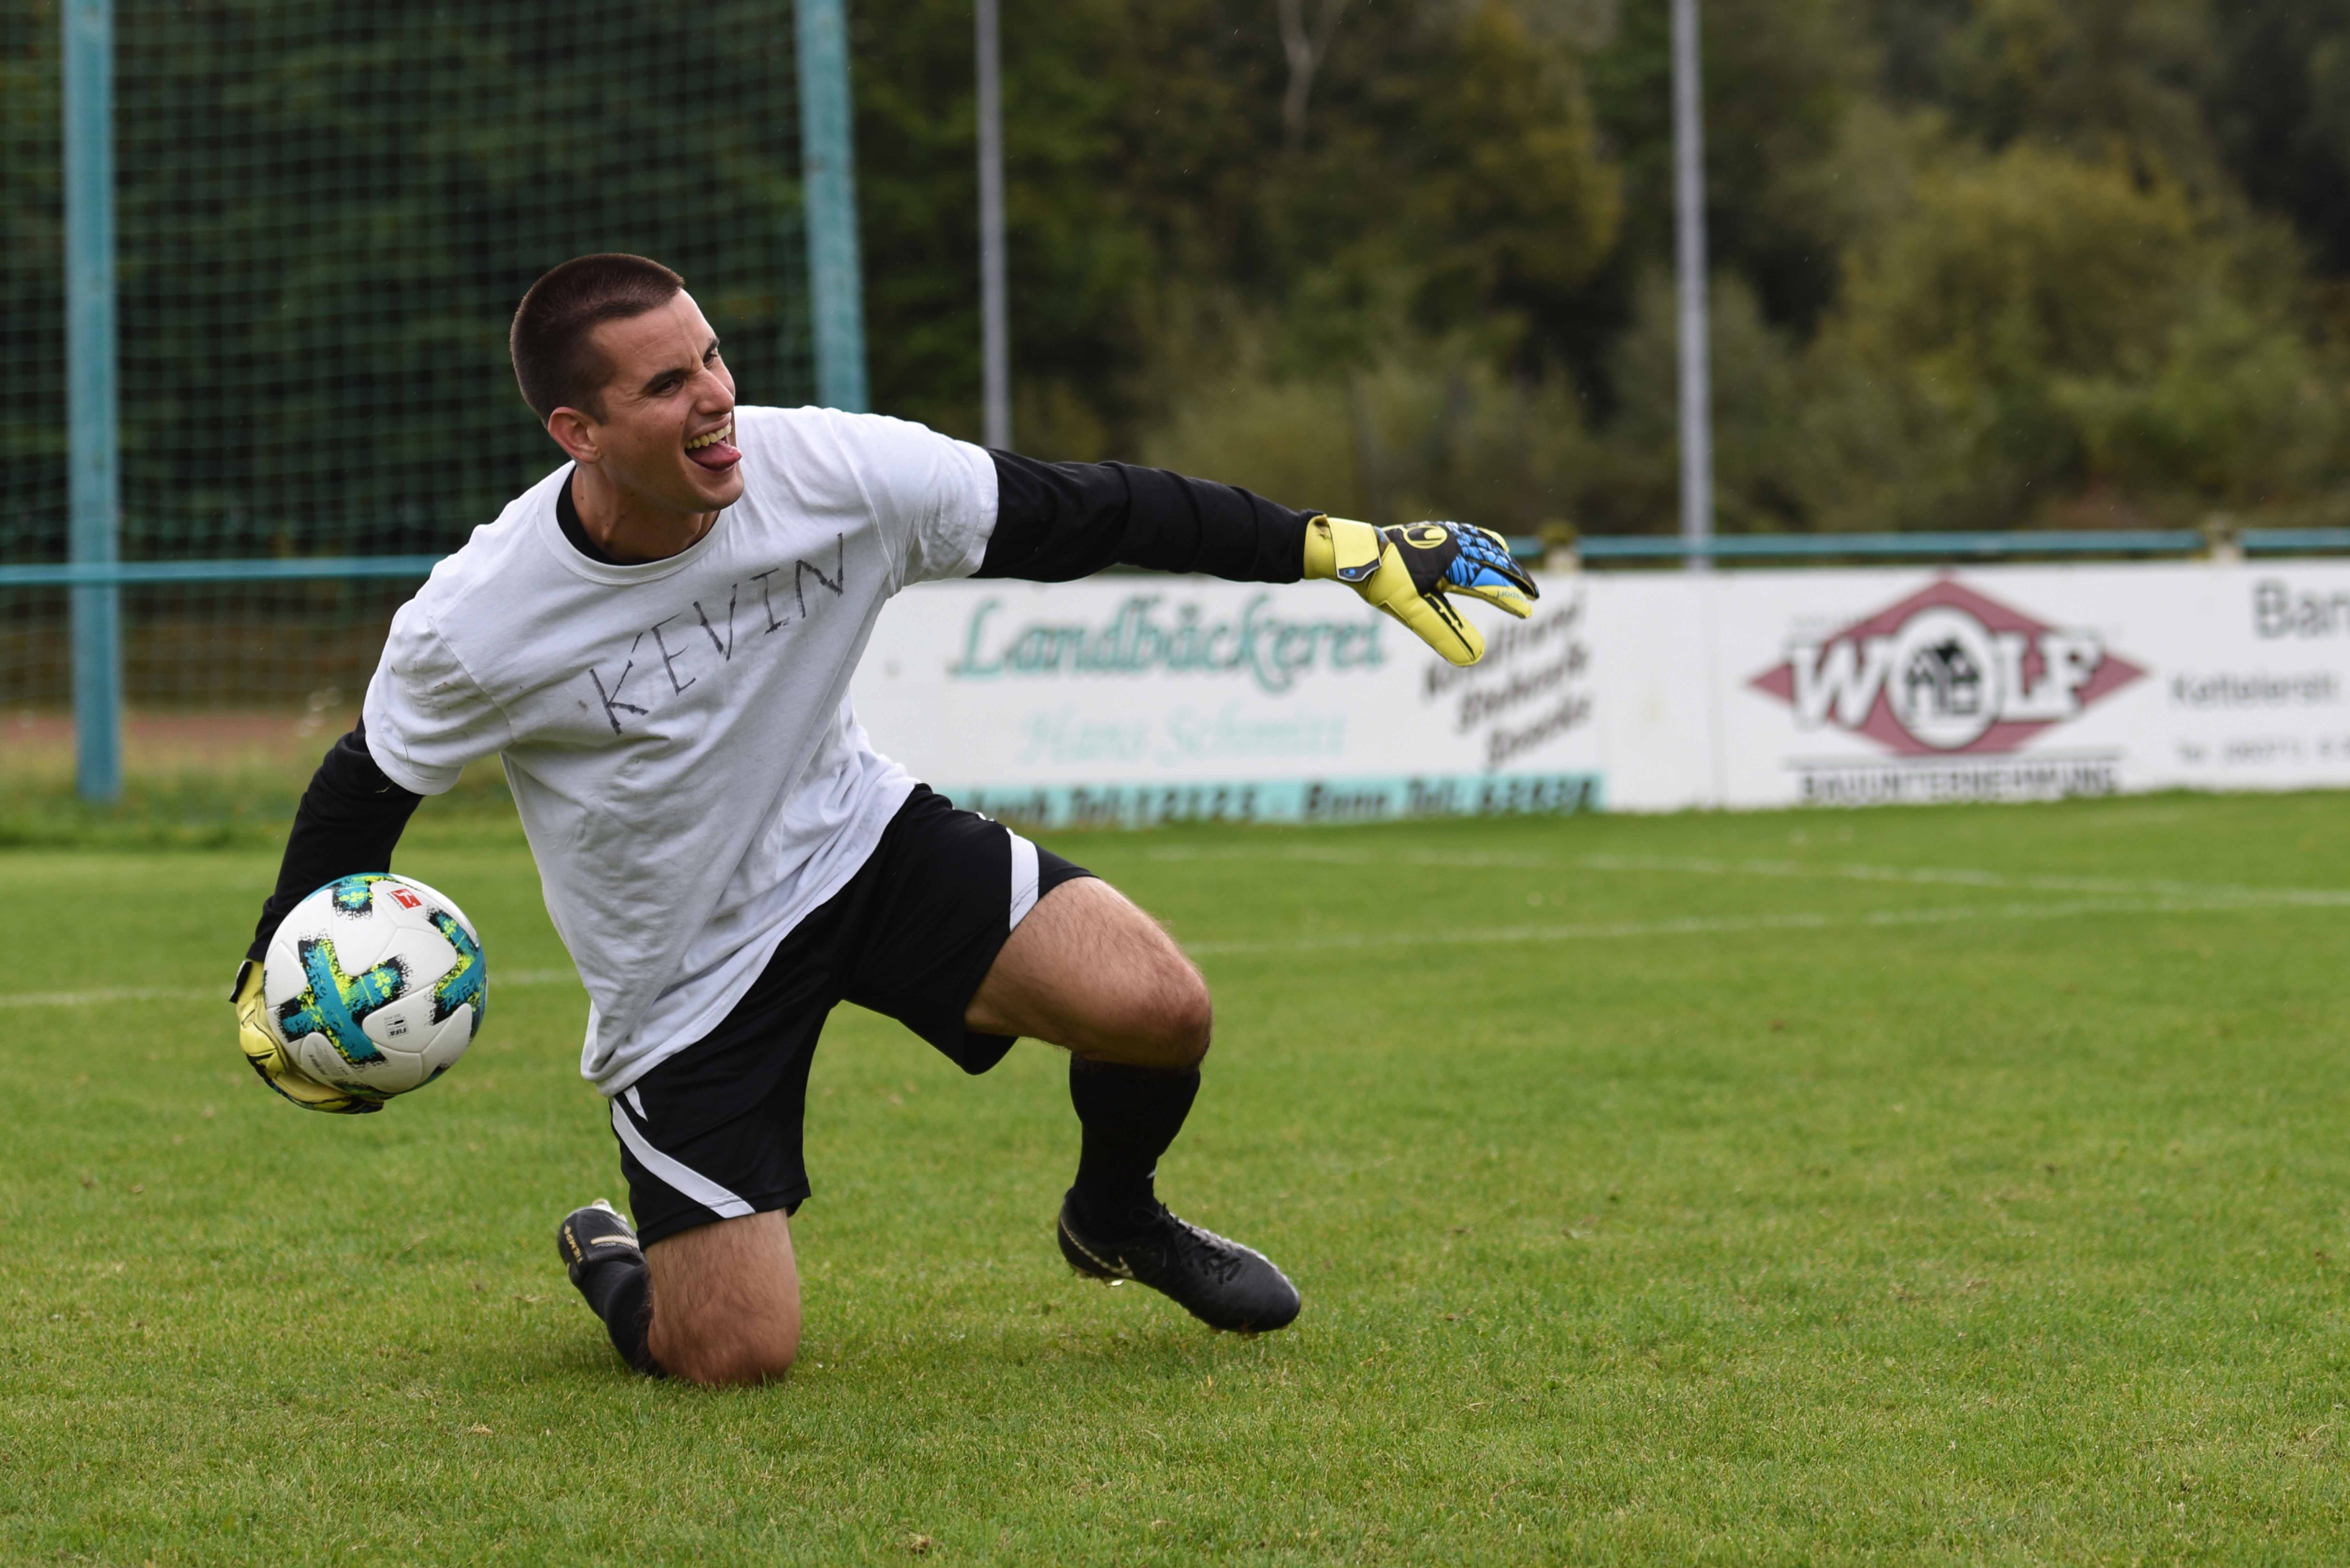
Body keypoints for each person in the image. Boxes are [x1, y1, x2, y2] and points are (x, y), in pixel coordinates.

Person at [229, 253, 1536, 1386]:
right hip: (684, 975)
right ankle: (614, 1261)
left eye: (714, 356)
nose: (716, 395)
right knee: (732, 1358)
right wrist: (277, 968)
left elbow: (1092, 507)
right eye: (667, 385)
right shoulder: (478, 619)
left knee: (1160, 1007)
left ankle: (1116, 1213)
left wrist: (1339, 547)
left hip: (861, 846)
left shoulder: (836, 472)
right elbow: (369, 785)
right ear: (577, 429)